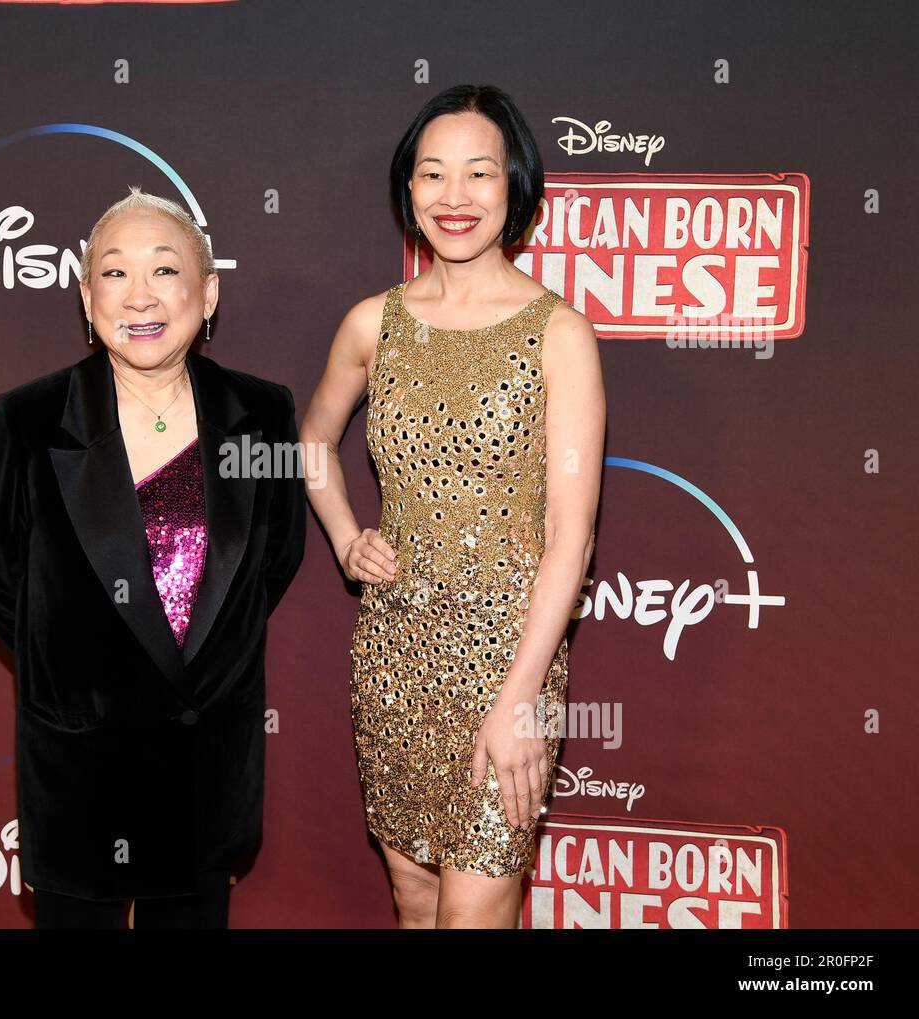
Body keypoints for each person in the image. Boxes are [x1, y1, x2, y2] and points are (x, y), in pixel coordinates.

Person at [0, 187, 305, 928]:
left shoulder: (264, 412)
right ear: (86, 297)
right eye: (114, 273)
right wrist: (89, 674)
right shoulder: (29, 418)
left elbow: (272, 560)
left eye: (165, 270)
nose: (139, 296)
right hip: (81, 771)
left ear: (207, 291)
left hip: (204, 772)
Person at [300, 85, 605, 928]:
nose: (454, 196)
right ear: (409, 191)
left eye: (479, 173)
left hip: (513, 655)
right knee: (416, 895)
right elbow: (312, 441)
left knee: (476, 904)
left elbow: (571, 534)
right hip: (396, 651)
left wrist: (521, 697)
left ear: (516, 187)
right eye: (432, 174)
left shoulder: (559, 333)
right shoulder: (374, 323)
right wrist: (346, 535)